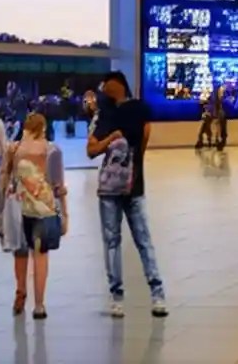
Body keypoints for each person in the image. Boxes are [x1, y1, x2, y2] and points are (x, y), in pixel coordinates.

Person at [87, 71, 168, 318]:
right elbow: (91, 149)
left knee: (133, 240)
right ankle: (134, 294)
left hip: (129, 187)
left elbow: (143, 135)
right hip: (114, 189)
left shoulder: (134, 109)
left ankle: (144, 294)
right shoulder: (105, 114)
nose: (104, 89)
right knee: (128, 240)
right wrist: (114, 140)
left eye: (107, 85)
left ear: (118, 84)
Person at [0, 113, 67, 319]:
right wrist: (65, 213)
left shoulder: (13, 148)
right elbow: (58, 186)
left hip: (17, 205)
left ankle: (20, 293)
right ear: (43, 128)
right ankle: (39, 305)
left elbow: (3, 180)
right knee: (40, 254)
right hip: (44, 208)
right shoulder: (52, 150)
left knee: (20, 251)